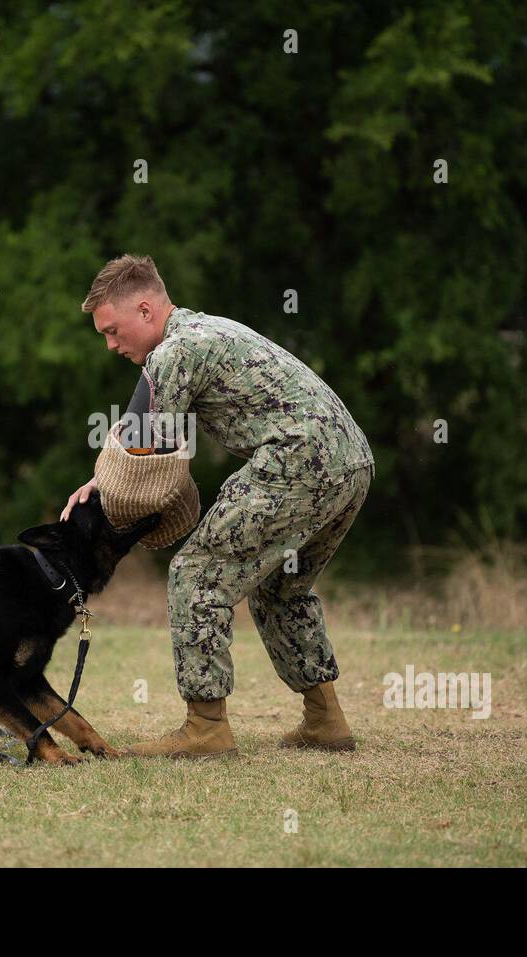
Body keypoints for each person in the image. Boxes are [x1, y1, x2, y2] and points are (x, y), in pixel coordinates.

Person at [60, 254, 375, 758]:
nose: (111, 345)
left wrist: (100, 489)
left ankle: (205, 727)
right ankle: (325, 720)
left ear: (145, 310)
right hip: (351, 462)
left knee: (196, 573)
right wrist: (104, 478)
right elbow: (147, 435)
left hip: (299, 461)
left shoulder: (174, 352)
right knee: (281, 587)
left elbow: (143, 442)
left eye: (113, 330)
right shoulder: (204, 331)